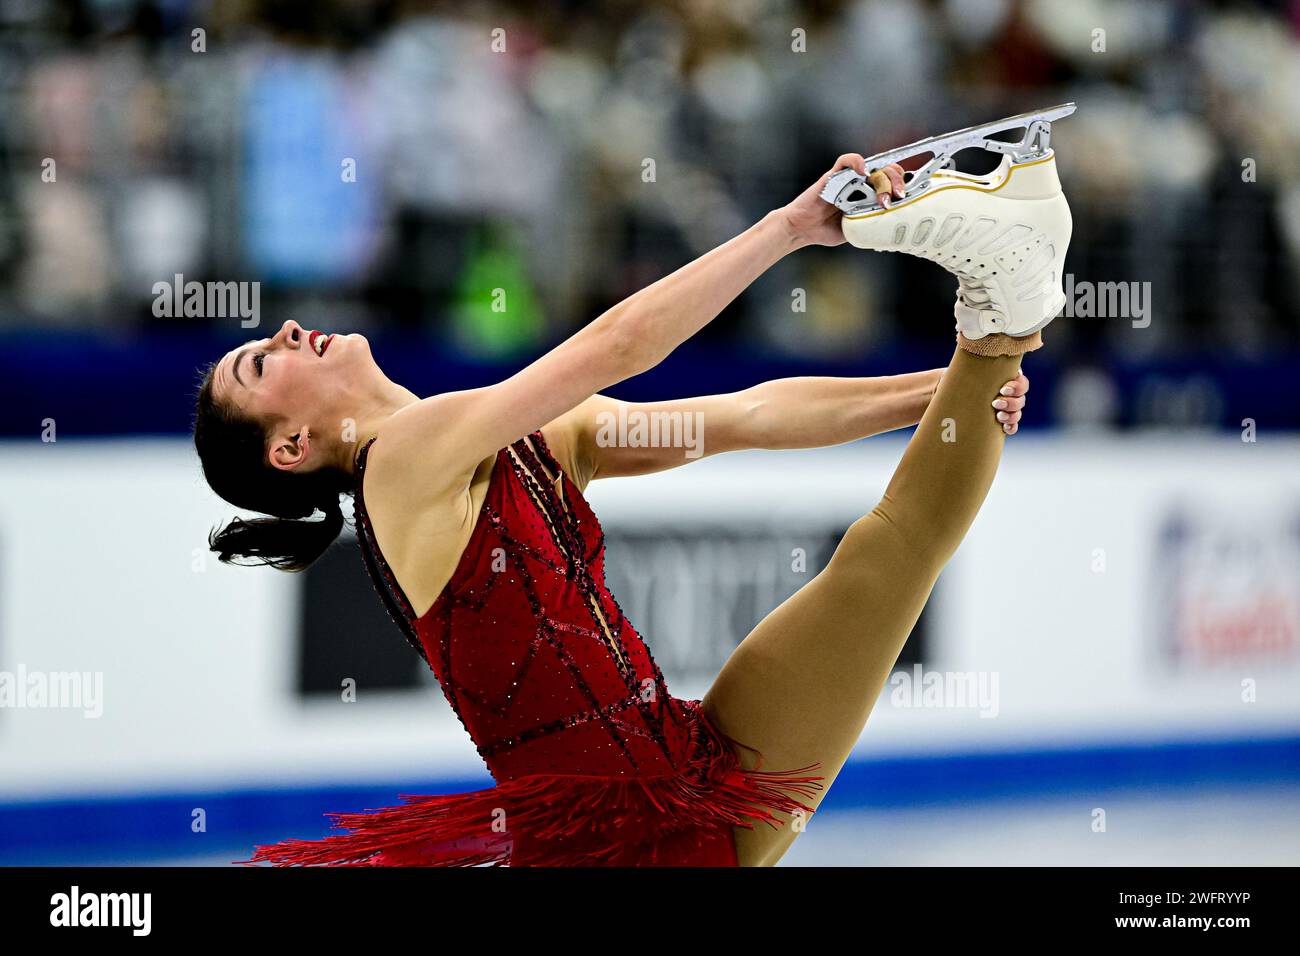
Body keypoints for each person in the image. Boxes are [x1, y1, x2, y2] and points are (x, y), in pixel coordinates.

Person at [194, 153, 1048, 866]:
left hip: (690, 767)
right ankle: (1006, 306)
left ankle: (998, 319)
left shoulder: (526, 438)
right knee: (889, 550)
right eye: (259, 367)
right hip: (621, 853)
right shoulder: (402, 465)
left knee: (885, 556)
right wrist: (788, 227)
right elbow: (620, 346)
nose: (286, 331)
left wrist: (939, 397)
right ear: (293, 448)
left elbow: (746, 416)